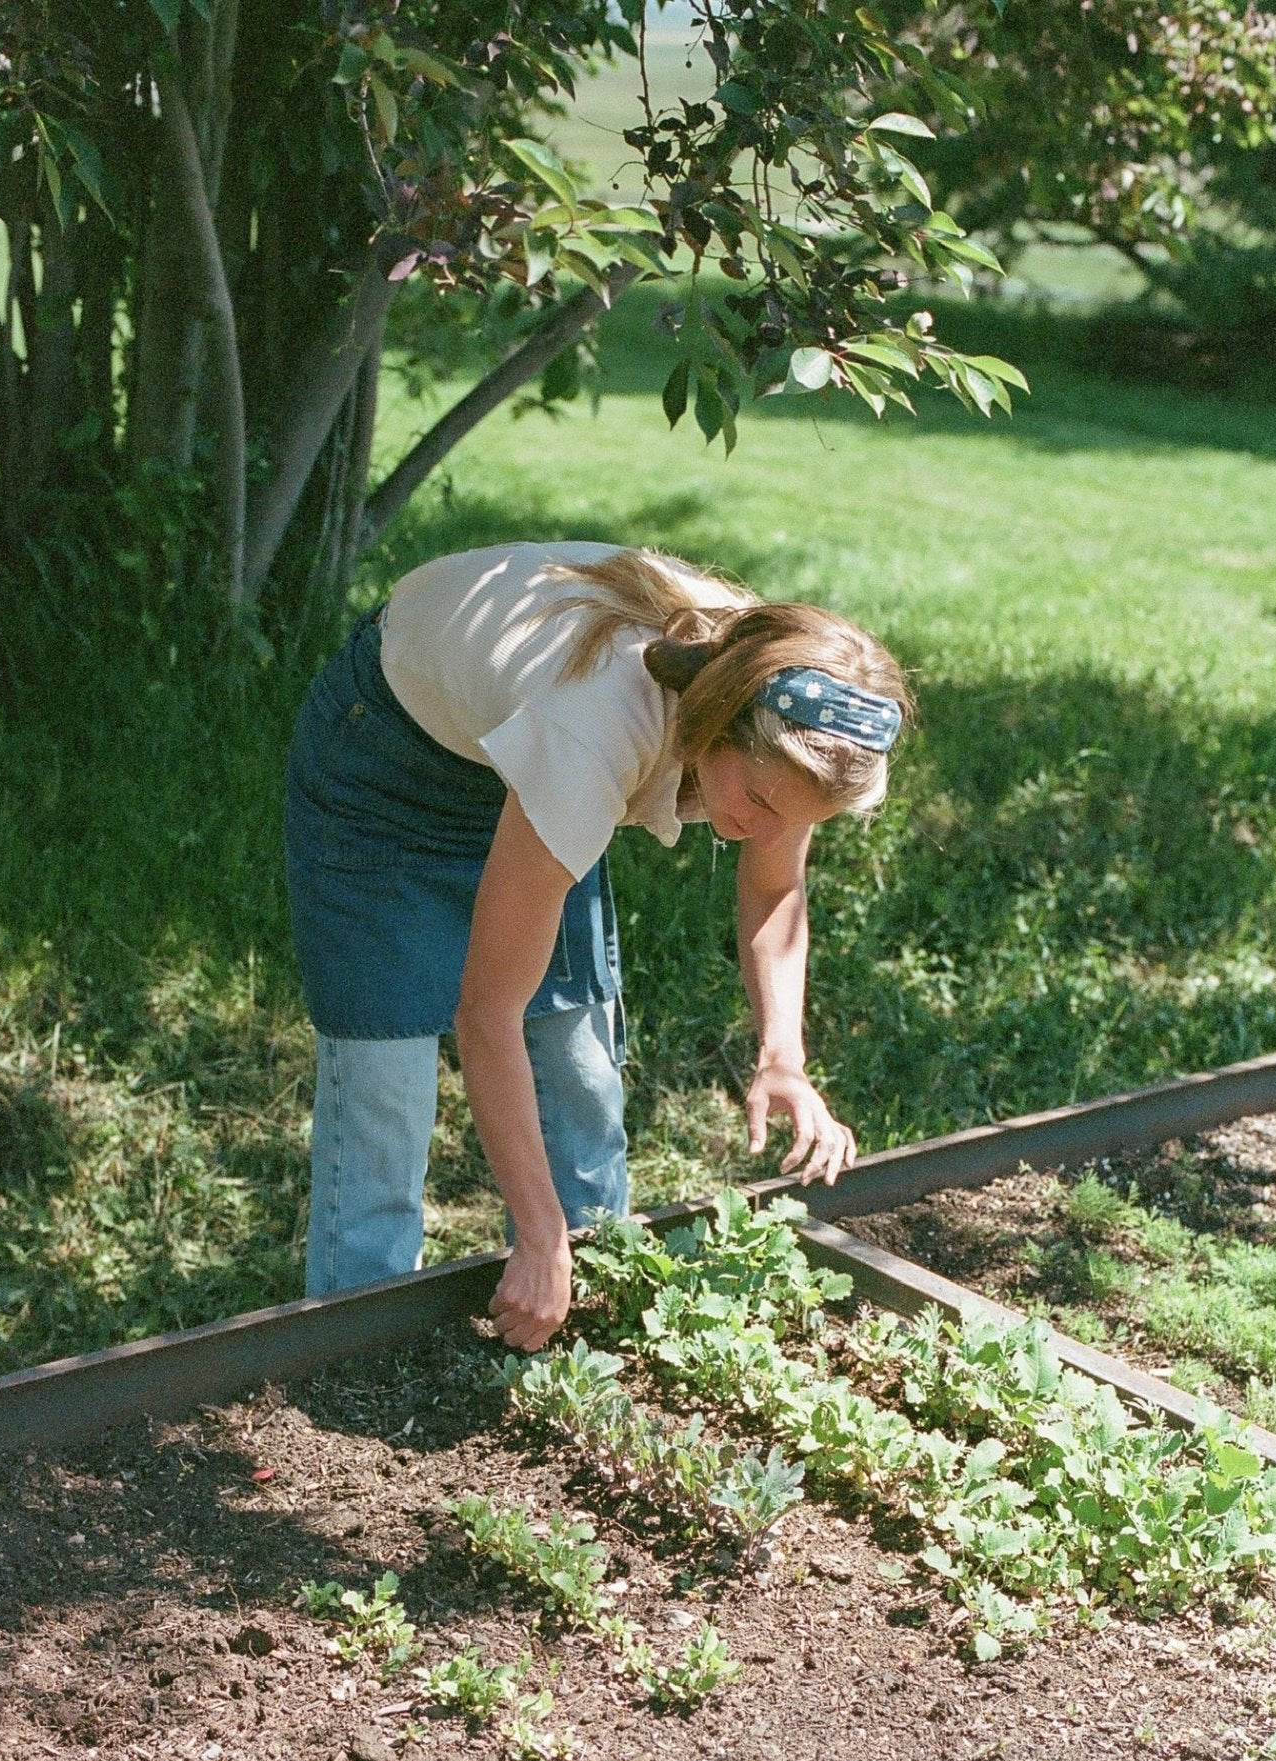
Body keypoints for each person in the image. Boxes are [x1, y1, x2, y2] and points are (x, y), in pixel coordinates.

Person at [285, 540, 910, 1352]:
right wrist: (538, 1234)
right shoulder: (593, 732)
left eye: (793, 818)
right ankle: (354, 1355)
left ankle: (585, 1316)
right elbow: (486, 1015)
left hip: (529, 744)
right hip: (389, 768)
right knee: (387, 1093)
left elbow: (773, 888)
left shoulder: (780, 696)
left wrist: (781, 1056)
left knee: (579, 1075)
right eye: (756, 800)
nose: (765, 831)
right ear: (711, 722)